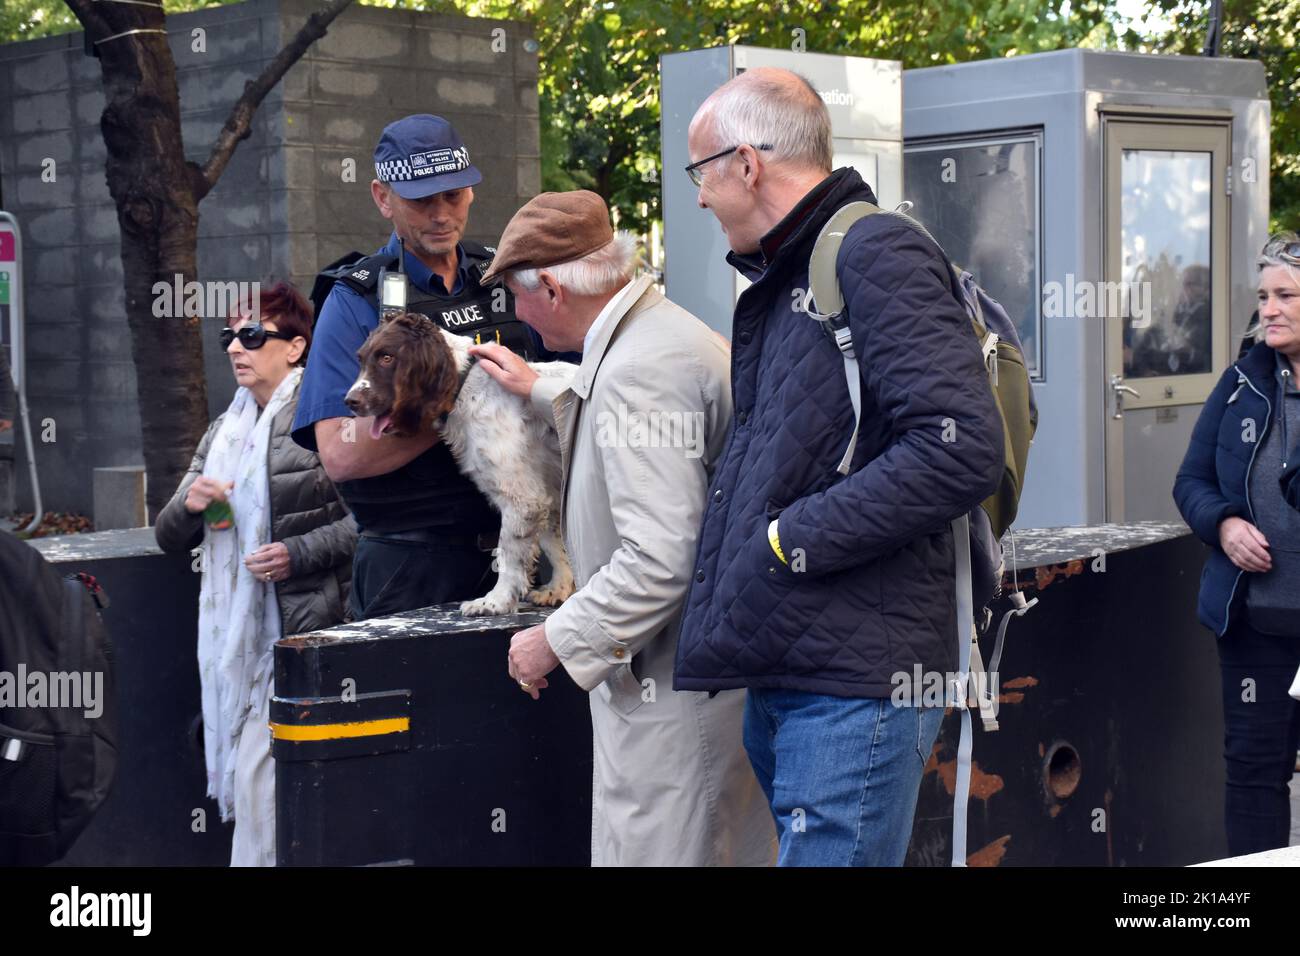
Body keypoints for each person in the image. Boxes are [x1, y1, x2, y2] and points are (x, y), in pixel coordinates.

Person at [672, 67, 1005, 866]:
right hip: (805, 661)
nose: (698, 198)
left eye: (700, 173)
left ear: (745, 164)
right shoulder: (799, 267)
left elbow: (959, 446)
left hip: (855, 681)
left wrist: (790, 539)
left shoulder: (874, 251)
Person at [468, 190, 775, 866]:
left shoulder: (641, 371)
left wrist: (555, 638)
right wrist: (544, 388)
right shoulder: (657, 340)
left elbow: (662, 557)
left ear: (548, 285)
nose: (511, 316)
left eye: (513, 297)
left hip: (674, 702)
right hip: (699, 687)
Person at [292, 114, 557, 620]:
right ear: (382, 197)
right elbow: (341, 454)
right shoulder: (356, 299)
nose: (440, 214)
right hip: (414, 563)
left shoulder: (504, 274)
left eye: (453, 195)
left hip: (533, 550)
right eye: (420, 199)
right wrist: (460, 401)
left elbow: (573, 390)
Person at [155, 282, 356, 866]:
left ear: (295, 348)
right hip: (236, 651)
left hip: (305, 635)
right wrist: (192, 505)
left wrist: (298, 552)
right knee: (257, 791)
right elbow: (171, 537)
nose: (235, 349)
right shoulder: (224, 433)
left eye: (251, 336)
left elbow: (368, 526)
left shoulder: (325, 417)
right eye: (229, 338)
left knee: (262, 786)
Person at [1173, 232, 1300, 857]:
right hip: (1253, 624)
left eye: (1285, 296)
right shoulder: (1241, 382)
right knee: (1254, 778)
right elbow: (1190, 480)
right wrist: (1223, 524)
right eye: (1263, 296)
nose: (1268, 310)